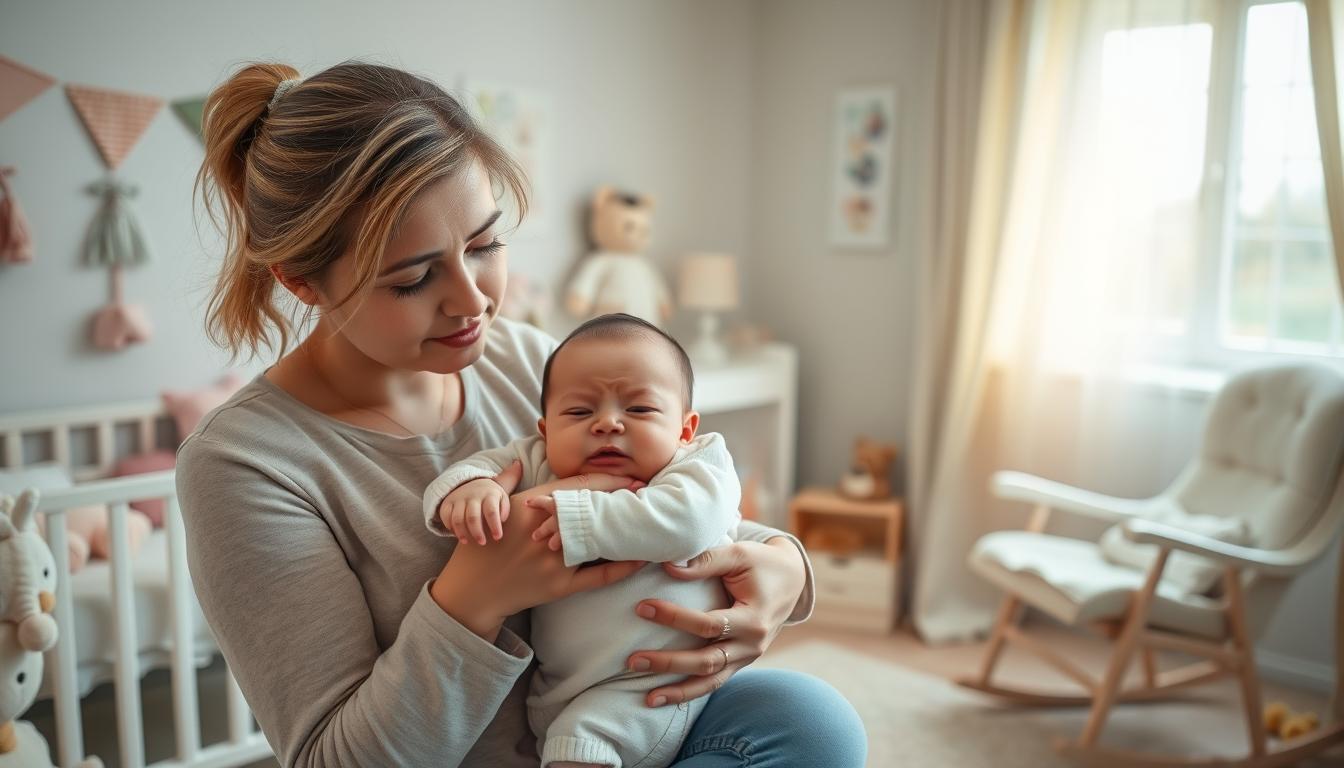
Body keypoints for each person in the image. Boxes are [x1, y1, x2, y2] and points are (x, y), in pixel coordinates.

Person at [178, 60, 867, 768]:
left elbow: (680, 473)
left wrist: (781, 568)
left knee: (809, 720)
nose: (472, 301)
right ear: (300, 280)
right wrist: (473, 597)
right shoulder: (246, 465)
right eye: (414, 278)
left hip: (625, 725)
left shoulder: (529, 359)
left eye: (485, 245)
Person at [426, 313, 742, 768]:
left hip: (649, 684)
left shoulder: (698, 464)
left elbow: (688, 524)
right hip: (557, 688)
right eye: (578, 412)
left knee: (580, 744)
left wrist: (583, 521)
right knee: (563, 740)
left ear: (684, 429)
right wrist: (470, 491)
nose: (608, 423)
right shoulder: (538, 462)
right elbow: (474, 470)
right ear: (546, 430)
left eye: (639, 409)